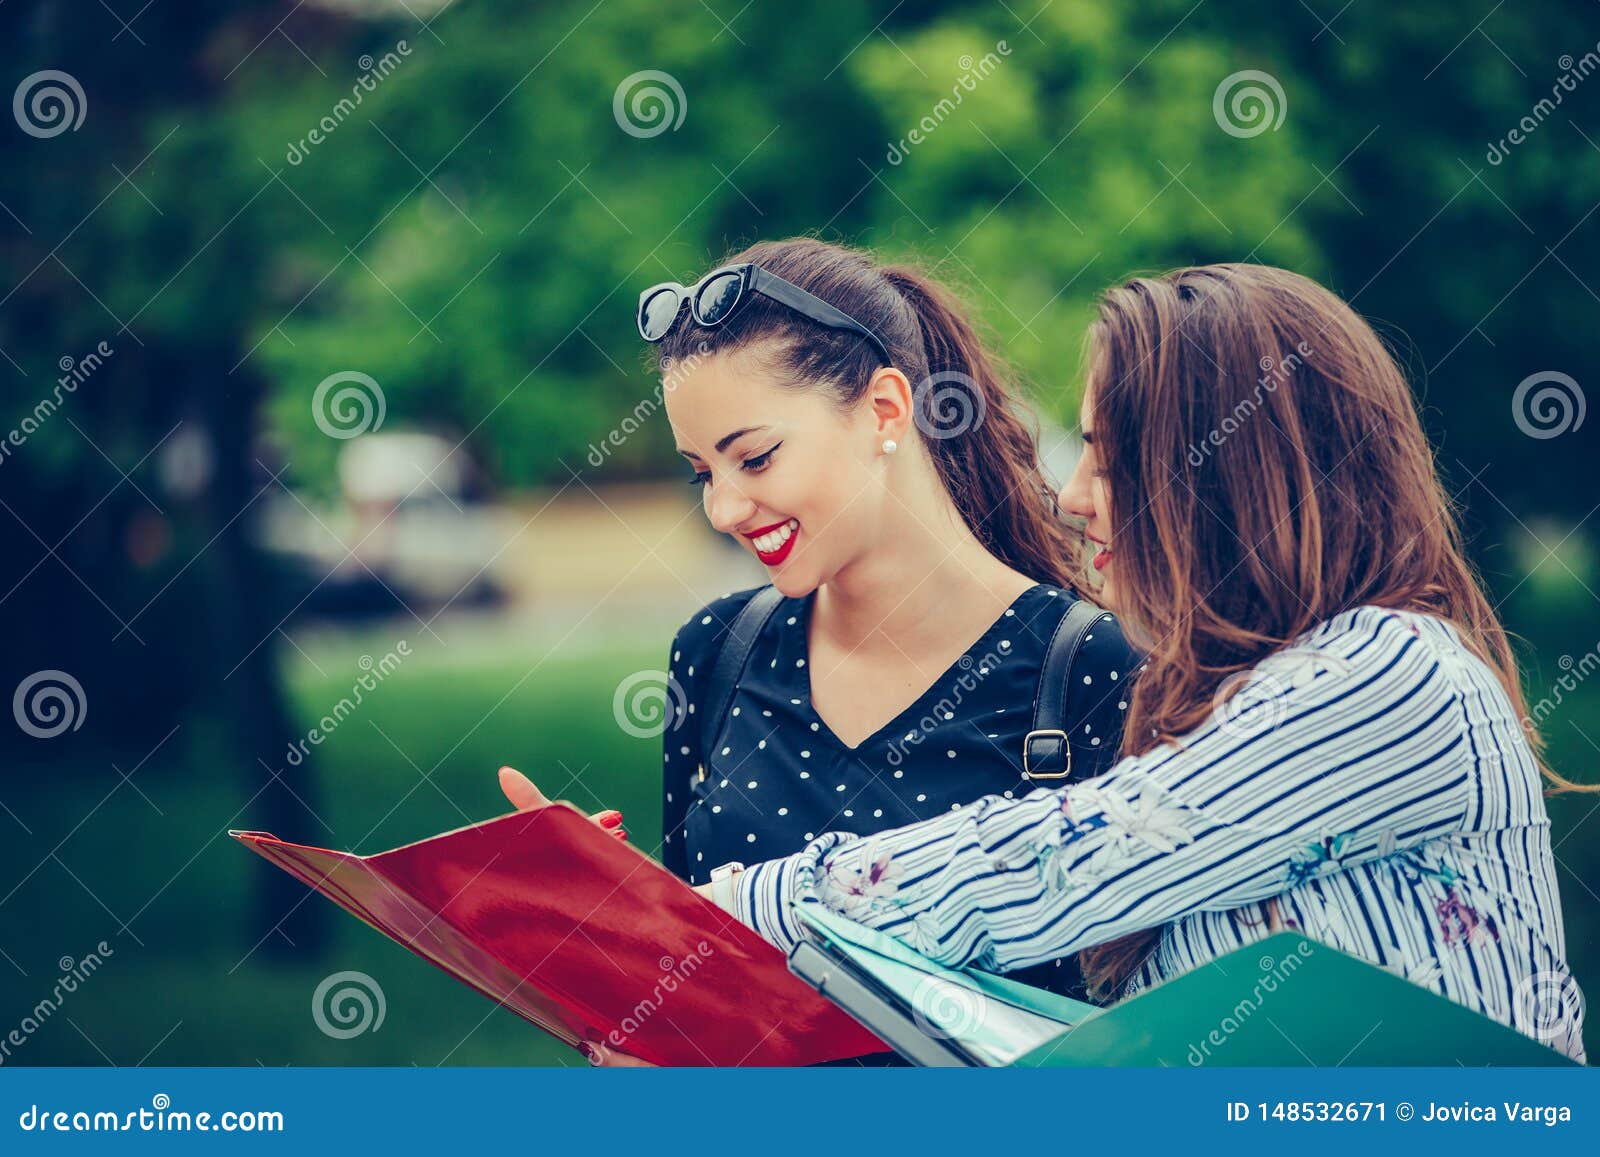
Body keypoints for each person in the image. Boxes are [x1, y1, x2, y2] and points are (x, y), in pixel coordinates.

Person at [703, 263, 1593, 1063]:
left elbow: (1063, 861)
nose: (1073, 494)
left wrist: (747, 905)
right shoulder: (1212, 696)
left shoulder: (1389, 679)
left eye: (1104, 451)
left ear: (1222, 470)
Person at [509, 237, 1138, 1007]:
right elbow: (695, 989)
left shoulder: (1085, 668)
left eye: (757, 457)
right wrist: (615, 930)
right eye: (703, 472)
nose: (724, 509)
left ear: (884, 410)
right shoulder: (716, 652)